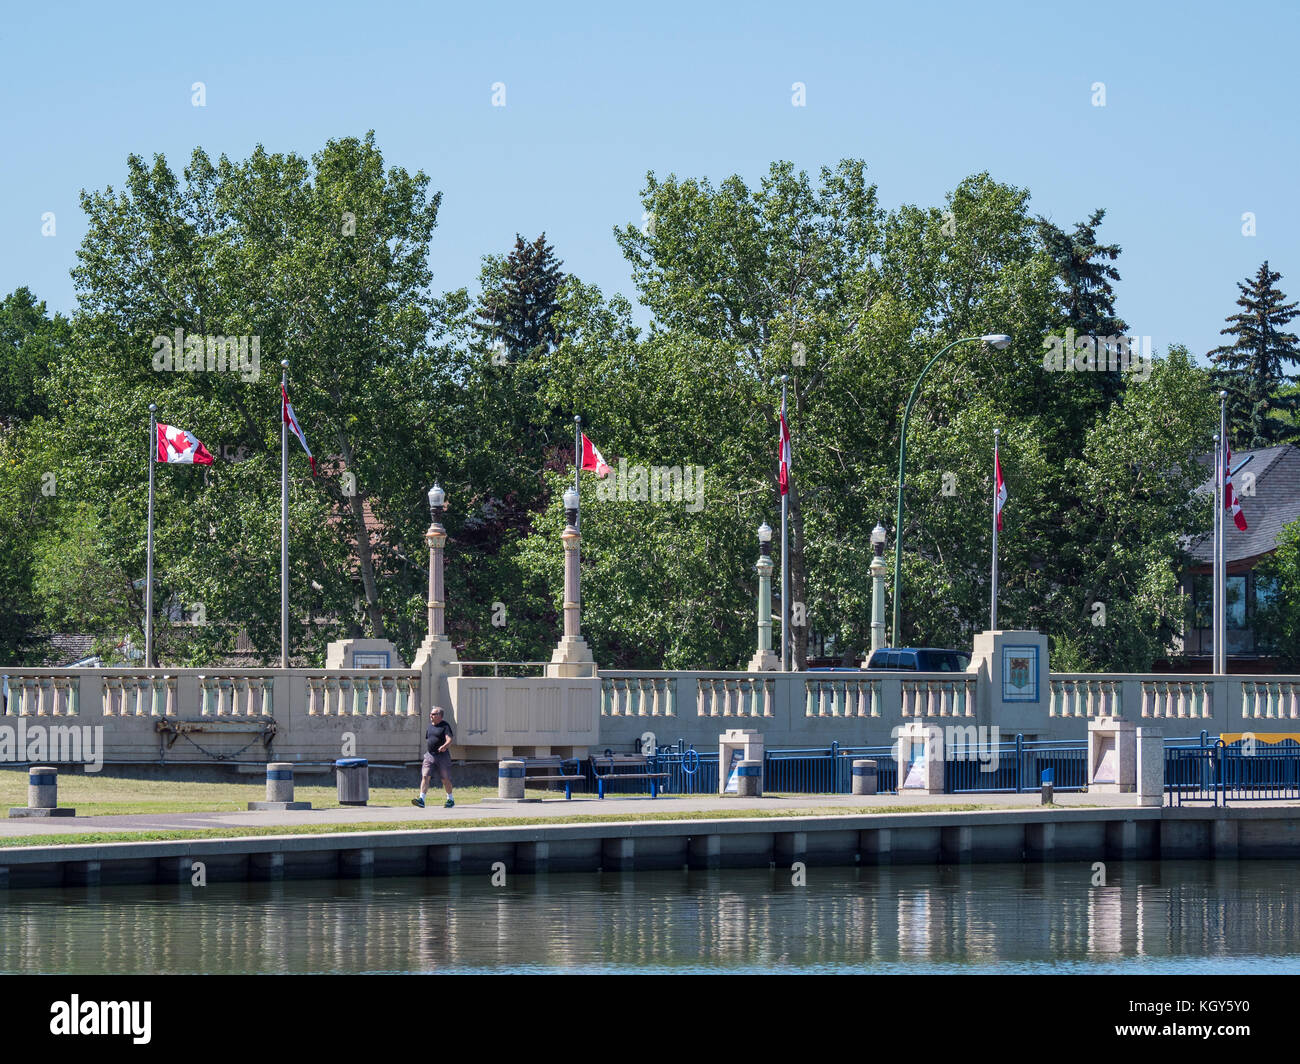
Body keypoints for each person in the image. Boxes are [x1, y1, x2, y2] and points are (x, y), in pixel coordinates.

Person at [413, 706, 455, 809]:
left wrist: (444, 746)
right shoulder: (429, 727)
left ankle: (450, 799)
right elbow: (429, 739)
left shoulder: (445, 726)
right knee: (425, 776)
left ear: (439, 716)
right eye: (431, 714)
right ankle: (421, 799)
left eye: (433, 714)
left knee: (445, 779)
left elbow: (449, 739)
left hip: (442, 756)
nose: (430, 716)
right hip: (430, 755)